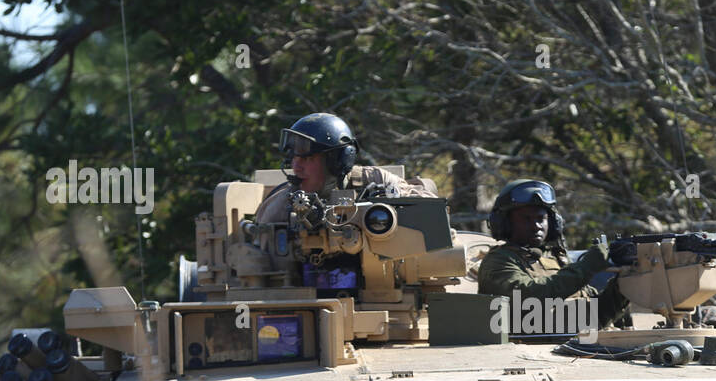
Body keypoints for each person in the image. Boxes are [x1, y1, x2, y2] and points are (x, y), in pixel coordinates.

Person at [477, 179, 636, 329]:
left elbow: (596, 314)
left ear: (553, 223)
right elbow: (530, 297)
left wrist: (623, 284)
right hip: (531, 350)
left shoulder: (556, 259)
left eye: (541, 218)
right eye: (526, 219)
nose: (536, 226)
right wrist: (586, 267)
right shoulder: (498, 262)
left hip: (577, 344)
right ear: (505, 223)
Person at [253, 112, 437, 225]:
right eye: (293, 158)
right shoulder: (283, 204)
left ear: (336, 160)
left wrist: (384, 204)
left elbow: (432, 207)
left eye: (307, 158)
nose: (296, 167)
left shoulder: (374, 180)